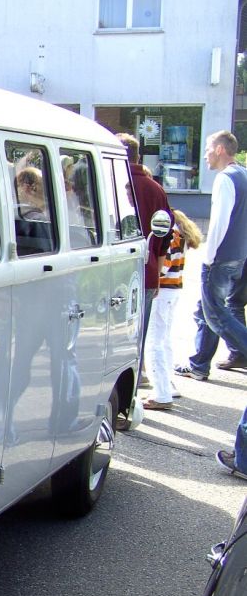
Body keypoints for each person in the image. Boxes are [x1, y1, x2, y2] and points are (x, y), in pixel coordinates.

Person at [188, 131, 247, 479]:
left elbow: (221, 220)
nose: (206, 155)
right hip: (238, 257)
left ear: (222, 150)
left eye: (209, 148)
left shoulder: (226, 179)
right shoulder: (243, 174)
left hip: (221, 257)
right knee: (205, 312)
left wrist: (208, 257)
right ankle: (199, 362)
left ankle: (236, 350)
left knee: (216, 314)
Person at [116, 133, 172, 391]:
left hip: (110, 271)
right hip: (145, 271)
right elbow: (165, 235)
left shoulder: (110, 182)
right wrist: (157, 273)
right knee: (136, 335)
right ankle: (133, 389)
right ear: (138, 156)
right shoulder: (155, 189)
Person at [142, 210, 202, 410]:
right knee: (164, 339)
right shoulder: (181, 235)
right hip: (173, 290)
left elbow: (164, 267)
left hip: (163, 291)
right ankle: (167, 384)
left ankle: (161, 392)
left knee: (154, 341)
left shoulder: (170, 235)